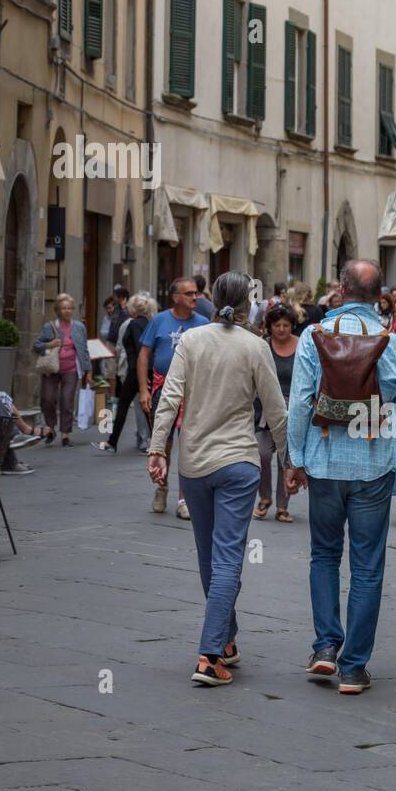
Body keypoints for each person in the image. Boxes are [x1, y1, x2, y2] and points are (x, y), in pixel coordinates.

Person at [285, 260, 396, 695]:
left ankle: (325, 647)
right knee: (367, 567)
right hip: (375, 465)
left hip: (324, 462)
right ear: (381, 296)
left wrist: (296, 458)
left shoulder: (312, 336)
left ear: (341, 290)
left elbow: (302, 404)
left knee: (324, 555)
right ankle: (353, 668)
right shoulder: (395, 345)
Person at [148, 272, 288, 686]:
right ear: (248, 304)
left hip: (193, 465)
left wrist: (158, 449)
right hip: (239, 465)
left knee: (209, 558)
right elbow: (276, 411)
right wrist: (292, 462)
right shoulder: (255, 346)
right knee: (227, 557)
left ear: (212, 300)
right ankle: (209, 655)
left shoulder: (190, 341)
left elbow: (170, 397)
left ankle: (226, 640)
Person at [138, 278, 208, 518]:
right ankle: (161, 486)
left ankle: (184, 498)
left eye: (196, 293)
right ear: (175, 297)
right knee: (163, 442)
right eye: (189, 294)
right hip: (162, 388)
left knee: (189, 444)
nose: (195, 297)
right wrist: (143, 390)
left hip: (193, 390)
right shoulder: (159, 320)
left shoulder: (203, 324)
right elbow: (144, 355)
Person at [93, 292, 156, 453]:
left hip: (136, 370)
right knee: (146, 408)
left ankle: (112, 442)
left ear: (134, 308)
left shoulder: (134, 324)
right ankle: (153, 442)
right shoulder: (150, 322)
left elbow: (139, 347)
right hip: (146, 369)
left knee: (124, 405)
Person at [254, 304, 299, 523]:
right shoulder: (263, 346)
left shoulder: (301, 345)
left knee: (285, 459)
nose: (281, 329)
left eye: (286, 325)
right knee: (261, 454)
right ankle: (264, 498)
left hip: (292, 410)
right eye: (277, 325)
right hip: (264, 411)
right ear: (269, 326)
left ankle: (283, 506)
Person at [33, 294, 92, 446]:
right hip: (51, 368)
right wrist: (50, 344)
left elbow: (84, 350)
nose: (66, 311)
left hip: (71, 368)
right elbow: (36, 345)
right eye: (63, 308)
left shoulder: (79, 327)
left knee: (67, 400)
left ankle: (65, 434)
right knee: (47, 399)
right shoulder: (49, 327)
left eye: (69, 308)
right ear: (57, 310)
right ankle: (50, 428)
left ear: (73, 310)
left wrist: (88, 371)